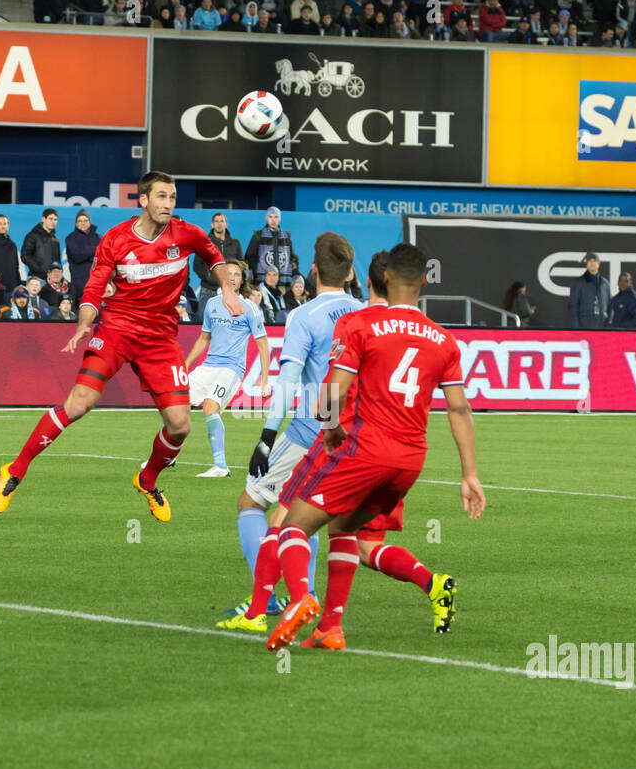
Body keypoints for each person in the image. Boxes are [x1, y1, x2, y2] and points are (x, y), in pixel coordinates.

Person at [228, 248, 460, 638]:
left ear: (370, 280)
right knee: (360, 542)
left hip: (334, 441)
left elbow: (327, 387)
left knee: (283, 522)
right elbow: (455, 406)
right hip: (394, 451)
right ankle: (424, 587)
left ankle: (266, 608)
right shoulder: (415, 331)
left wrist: (285, 431)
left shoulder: (354, 322)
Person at [0, 170, 242, 522]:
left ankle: (147, 479)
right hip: (117, 329)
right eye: (161, 197)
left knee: (181, 425)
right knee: (80, 403)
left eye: (172, 197)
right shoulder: (115, 239)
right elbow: (94, 289)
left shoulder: (187, 233)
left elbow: (214, 256)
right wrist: (82, 325)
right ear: (143, 200)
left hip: (160, 339)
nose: (168, 204)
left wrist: (227, 289)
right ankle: (14, 470)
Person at [218, 233, 365, 629]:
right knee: (308, 514)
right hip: (353, 434)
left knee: (251, 502)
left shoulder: (305, 315)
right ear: (351, 272)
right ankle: (309, 596)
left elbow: (287, 381)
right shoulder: (365, 313)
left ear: (313, 271)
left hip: (310, 430)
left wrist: (267, 438)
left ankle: (264, 601)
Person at [183, 260, 270, 478]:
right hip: (208, 365)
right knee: (175, 403)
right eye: (228, 273)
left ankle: (221, 466)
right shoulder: (212, 304)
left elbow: (263, 344)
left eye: (237, 274)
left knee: (210, 407)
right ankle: (170, 454)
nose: (231, 277)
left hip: (231, 368)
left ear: (242, 280)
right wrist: (185, 365)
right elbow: (204, 338)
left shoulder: (249, 308)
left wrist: (265, 380)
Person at [193, 212, 242, 312]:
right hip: (208, 289)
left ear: (226, 224)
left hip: (230, 290)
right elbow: (197, 266)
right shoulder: (204, 242)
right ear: (212, 224)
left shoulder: (235, 243)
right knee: (204, 320)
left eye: (222, 221)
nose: (219, 224)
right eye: (216, 221)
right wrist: (210, 278)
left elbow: (241, 265)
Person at [244, 205, 298, 286]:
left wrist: (291, 265)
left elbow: (293, 256)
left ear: (279, 219)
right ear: (266, 218)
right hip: (261, 281)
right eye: (270, 217)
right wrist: (255, 271)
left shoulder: (286, 236)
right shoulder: (258, 235)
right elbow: (249, 256)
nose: (273, 220)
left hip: (282, 282)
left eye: (276, 217)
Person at [63, 210, 100, 306]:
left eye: (85, 220)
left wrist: (86, 252)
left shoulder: (99, 237)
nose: (83, 223)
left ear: (90, 222)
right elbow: (77, 256)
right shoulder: (70, 238)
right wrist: (95, 249)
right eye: (80, 221)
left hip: (96, 282)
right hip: (79, 285)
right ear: (76, 223)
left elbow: (103, 256)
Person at [568, 253, 611, 328]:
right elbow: (573, 306)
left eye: (595, 261)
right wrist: (577, 328)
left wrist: (608, 325)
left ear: (599, 264)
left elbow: (610, 304)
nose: (592, 263)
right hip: (585, 324)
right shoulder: (578, 282)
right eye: (589, 261)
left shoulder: (605, 283)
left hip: (602, 324)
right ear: (586, 263)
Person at [21, 208, 61, 283]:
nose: (53, 222)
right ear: (43, 219)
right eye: (50, 219)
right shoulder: (32, 235)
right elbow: (25, 256)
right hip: (36, 279)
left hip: (52, 281)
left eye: (55, 219)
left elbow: (57, 261)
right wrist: (39, 270)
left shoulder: (55, 240)